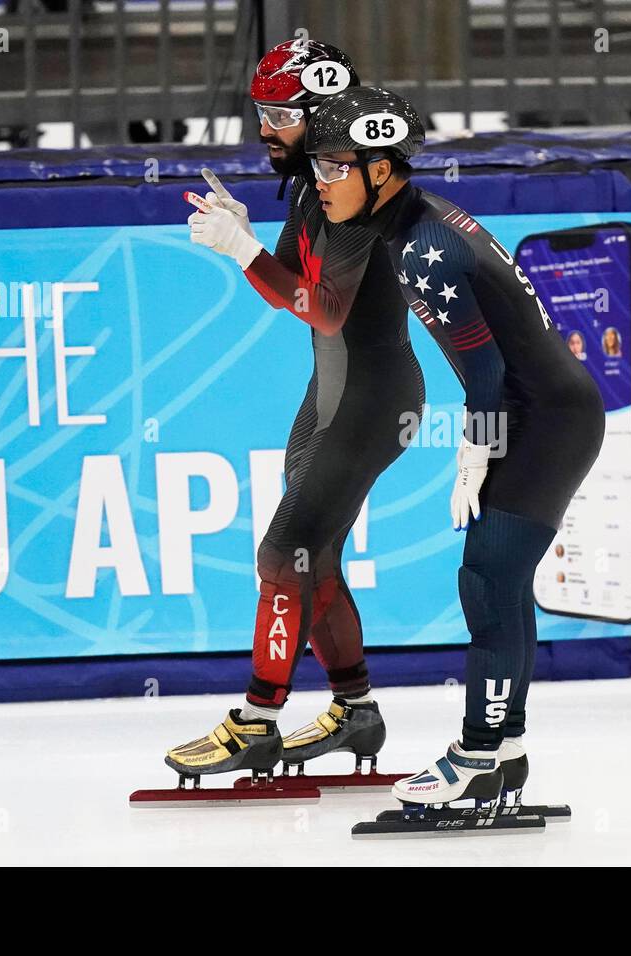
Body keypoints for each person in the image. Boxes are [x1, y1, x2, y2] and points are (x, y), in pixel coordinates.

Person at [304, 88, 605, 807]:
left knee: (487, 579)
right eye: (314, 166)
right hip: (548, 409)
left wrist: (478, 451)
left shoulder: (423, 248)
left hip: (544, 419)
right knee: (498, 582)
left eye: (333, 167)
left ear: (379, 170)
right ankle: (505, 750)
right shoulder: (421, 219)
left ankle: (475, 753)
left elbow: (488, 372)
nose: (320, 183)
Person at [170, 43, 424, 778]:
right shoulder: (318, 187)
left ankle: (257, 722)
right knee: (314, 561)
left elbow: (327, 310)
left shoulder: (349, 197)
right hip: (338, 398)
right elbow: (294, 287)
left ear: (326, 119)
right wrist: (247, 235)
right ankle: (356, 711)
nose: (266, 130)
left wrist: (241, 249)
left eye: (281, 115)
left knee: (281, 557)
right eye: (262, 113)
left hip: (368, 404)